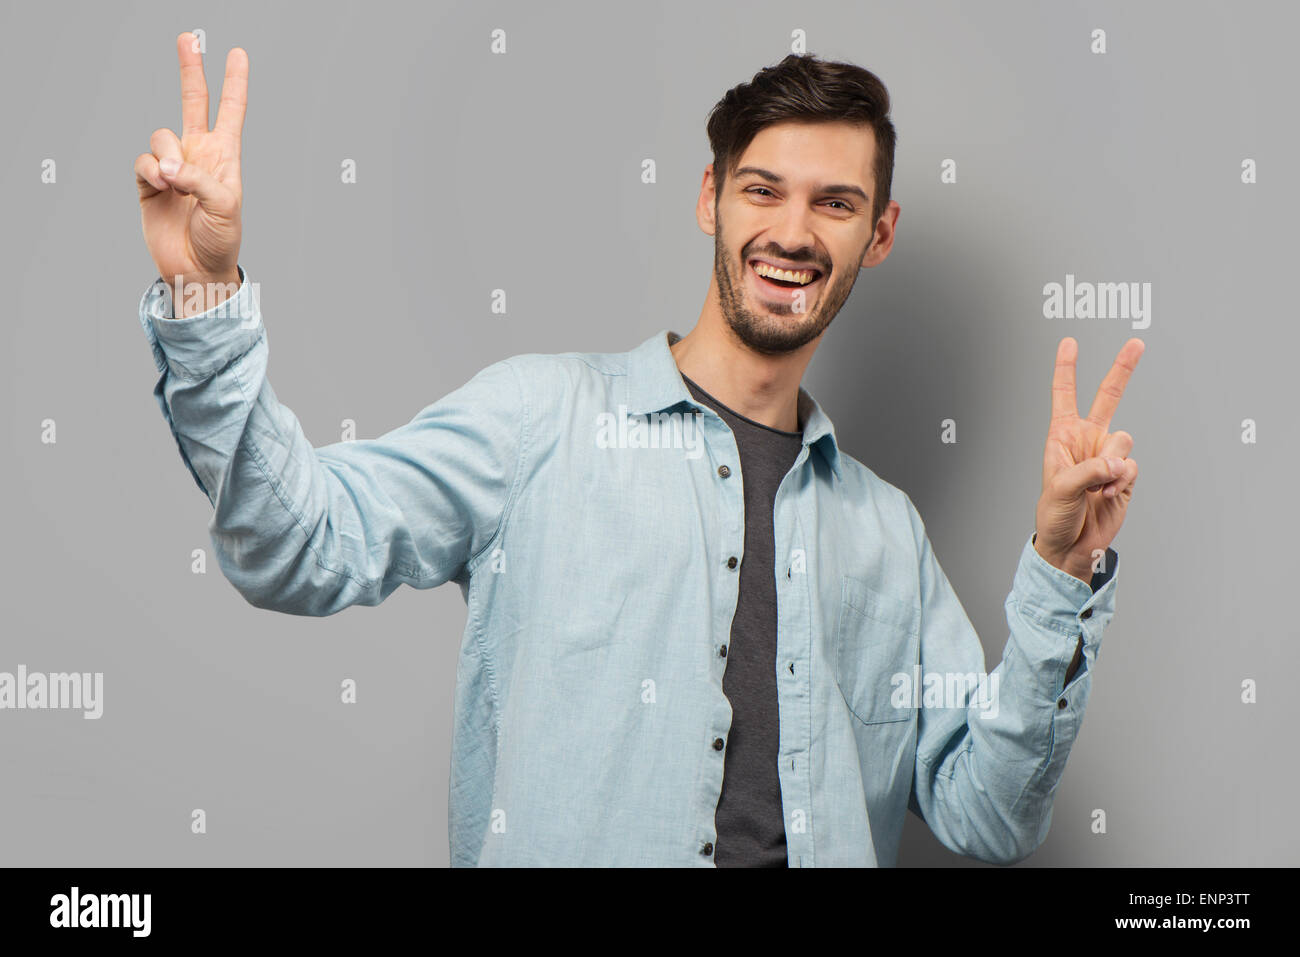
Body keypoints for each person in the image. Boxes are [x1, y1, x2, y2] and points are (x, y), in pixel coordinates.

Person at [133, 35, 1143, 867]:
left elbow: (989, 816)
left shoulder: (885, 533)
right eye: (763, 191)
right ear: (710, 198)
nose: (792, 231)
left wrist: (1061, 569)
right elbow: (294, 543)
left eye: (834, 204)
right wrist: (206, 296)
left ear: (877, 235)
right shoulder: (539, 420)